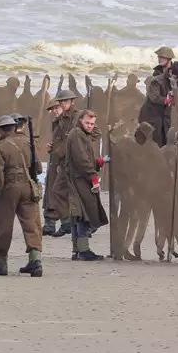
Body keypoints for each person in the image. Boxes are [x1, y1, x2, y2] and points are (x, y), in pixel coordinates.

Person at [0, 115, 44, 277]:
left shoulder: (1, 146)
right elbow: (38, 168)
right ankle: (35, 260)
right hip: (28, 186)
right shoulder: (28, 142)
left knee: (5, 225)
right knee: (31, 223)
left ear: (2, 130)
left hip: (9, 188)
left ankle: (1, 263)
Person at [66, 109, 109, 261]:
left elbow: (86, 158)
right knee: (85, 215)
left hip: (80, 178)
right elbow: (81, 160)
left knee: (79, 215)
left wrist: (98, 163)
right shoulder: (77, 134)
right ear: (80, 121)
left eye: (92, 124)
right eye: (87, 123)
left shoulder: (81, 134)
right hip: (79, 180)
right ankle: (83, 251)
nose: (90, 126)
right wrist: (93, 177)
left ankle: (77, 250)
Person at [48, 89, 79, 237]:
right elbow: (60, 139)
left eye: (65, 101)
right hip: (62, 161)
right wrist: (53, 148)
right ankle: (67, 223)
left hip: (73, 161)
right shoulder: (61, 119)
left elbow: (94, 132)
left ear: (72, 101)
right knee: (58, 192)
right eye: (60, 102)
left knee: (77, 195)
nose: (62, 104)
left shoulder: (77, 117)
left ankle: (85, 225)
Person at [137, 60, 178, 147]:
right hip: (151, 115)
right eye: (175, 77)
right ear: (170, 72)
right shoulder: (157, 81)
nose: (177, 80)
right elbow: (154, 98)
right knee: (155, 140)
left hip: (166, 115)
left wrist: (176, 90)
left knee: (167, 139)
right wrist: (167, 99)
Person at [42, 98, 63, 236]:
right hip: (55, 160)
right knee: (50, 189)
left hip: (63, 162)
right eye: (53, 109)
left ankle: (68, 223)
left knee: (61, 192)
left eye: (57, 108)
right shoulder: (56, 122)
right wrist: (52, 148)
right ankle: (50, 223)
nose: (55, 111)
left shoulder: (70, 122)